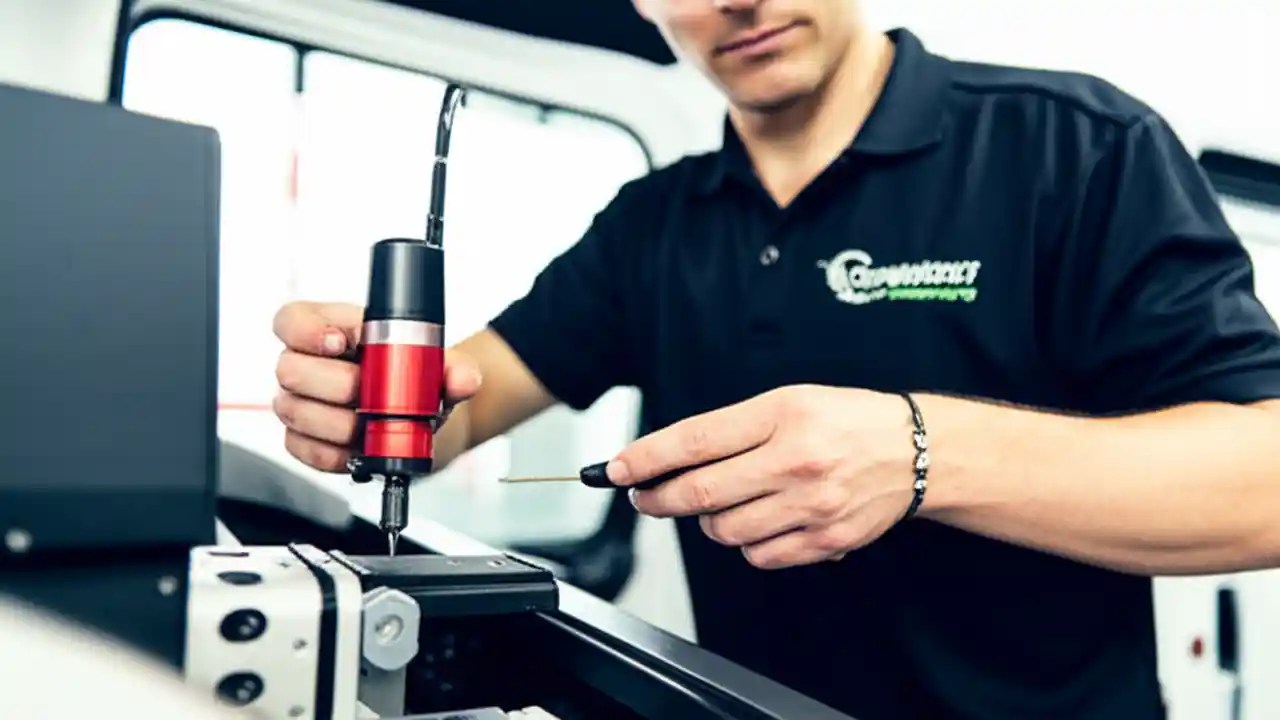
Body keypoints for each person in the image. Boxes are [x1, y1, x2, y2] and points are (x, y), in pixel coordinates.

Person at [270, 1, 1280, 718]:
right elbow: (450, 415)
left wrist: (919, 453)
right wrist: (363, 402)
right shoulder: (650, 226)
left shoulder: (1073, 147)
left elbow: (1262, 487)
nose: (733, 0)